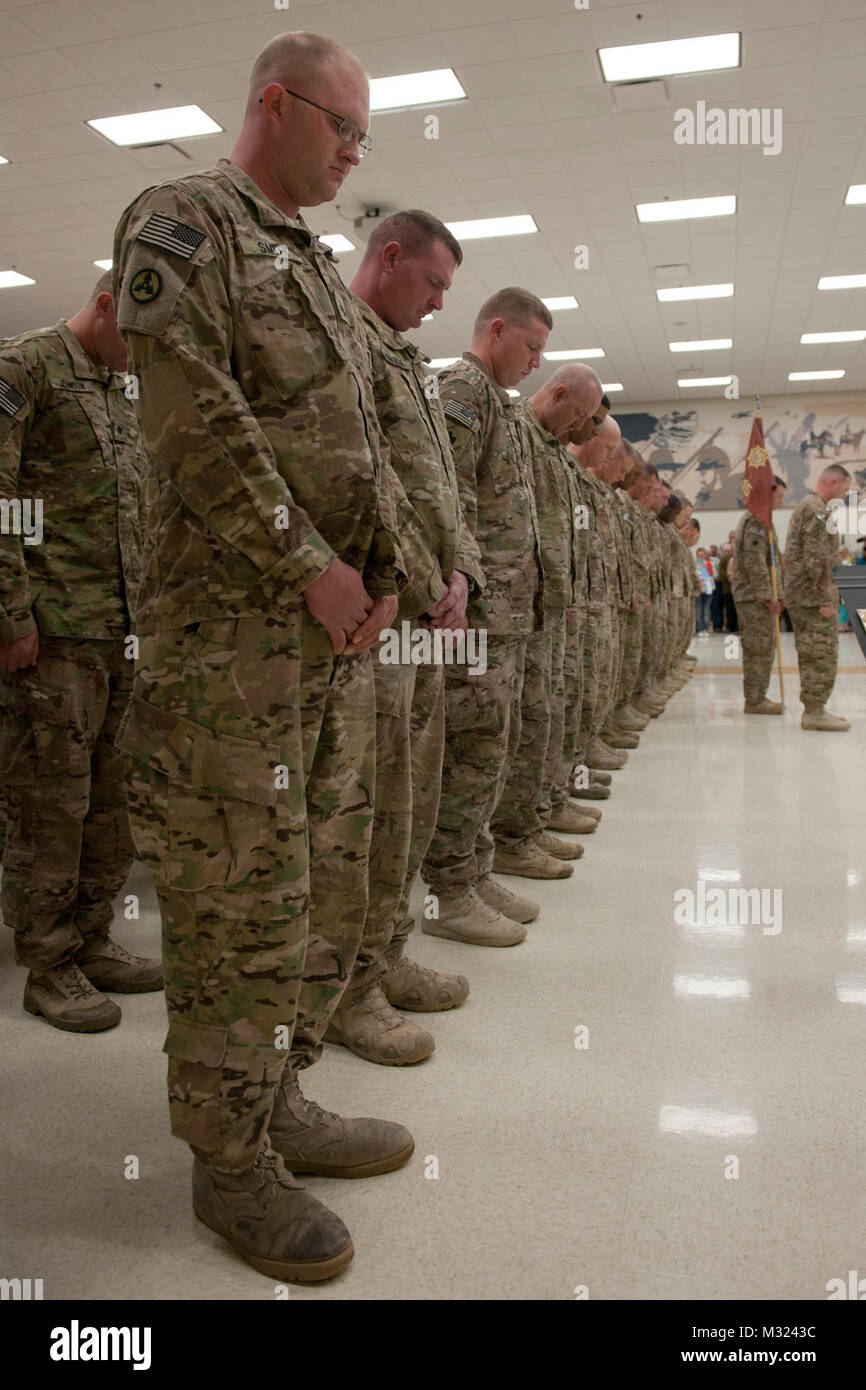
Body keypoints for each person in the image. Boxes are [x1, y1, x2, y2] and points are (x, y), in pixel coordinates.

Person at [112, 29, 425, 1285]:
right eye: (343, 127)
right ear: (274, 105)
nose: (356, 152)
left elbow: (355, 441)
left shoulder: (309, 261)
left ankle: (278, 1098)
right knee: (239, 898)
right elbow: (192, 413)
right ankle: (226, 1160)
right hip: (227, 648)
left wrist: (388, 574)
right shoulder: (185, 222)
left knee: (305, 887)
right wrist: (310, 563)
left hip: (321, 647)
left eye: (363, 136)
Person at [323, 209, 483, 1067]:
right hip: (377, 617)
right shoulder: (336, 335)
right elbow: (361, 479)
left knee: (410, 801)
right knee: (363, 814)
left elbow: (437, 487)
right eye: (433, 283)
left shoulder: (408, 361)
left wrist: (458, 574)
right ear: (389, 258)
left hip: (423, 617)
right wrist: (426, 584)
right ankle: (347, 993)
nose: (436, 305)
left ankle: (383, 957)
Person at [0, 278, 162, 1033]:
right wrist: (11, 613)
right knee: (53, 803)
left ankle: (92, 939)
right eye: (135, 335)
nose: (141, 355)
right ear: (106, 304)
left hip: (122, 630)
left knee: (114, 798)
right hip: (54, 634)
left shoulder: (119, 388)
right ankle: (48, 962)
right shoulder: (26, 368)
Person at [420, 287, 551, 945]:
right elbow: (450, 499)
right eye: (531, 347)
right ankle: (448, 889)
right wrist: (471, 593)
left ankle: (471, 870)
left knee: (490, 746)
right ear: (497, 330)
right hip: (475, 616)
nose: (535, 363)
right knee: (468, 751)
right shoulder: (463, 391)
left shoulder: (496, 401)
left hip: (502, 614)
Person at [490, 363, 602, 876]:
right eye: (580, 416)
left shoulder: (552, 450)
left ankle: (532, 821)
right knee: (515, 727)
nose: (582, 429)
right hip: (506, 610)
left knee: (543, 716)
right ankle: (508, 840)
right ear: (558, 394)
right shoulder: (509, 425)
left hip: (543, 608)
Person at [784, 463, 852, 731]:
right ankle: (814, 711)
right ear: (833, 482)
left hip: (805, 595)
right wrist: (826, 599)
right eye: (845, 489)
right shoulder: (816, 510)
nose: (845, 495)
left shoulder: (810, 507)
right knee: (820, 654)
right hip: (813, 598)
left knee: (812, 652)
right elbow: (817, 559)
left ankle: (815, 708)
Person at [731, 474, 786, 714]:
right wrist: (768, 595)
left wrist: (779, 592)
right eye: (780, 496)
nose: (782, 501)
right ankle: (754, 699)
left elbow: (773, 561)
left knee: (764, 647)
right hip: (754, 598)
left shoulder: (763, 520)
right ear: (768, 493)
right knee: (758, 649)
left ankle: (758, 695)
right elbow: (755, 563)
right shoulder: (755, 522)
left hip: (758, 597)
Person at [694, 547, 714, 635]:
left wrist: (707, 566)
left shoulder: (709, 563)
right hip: (698, 589)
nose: (701, 558)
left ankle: (705, 628)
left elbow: (713, 574)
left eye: (703, 556)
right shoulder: (694, 563)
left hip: (708, 589)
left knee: (706, 610)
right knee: (698, 610)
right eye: (699, 556)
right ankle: (699, 628)